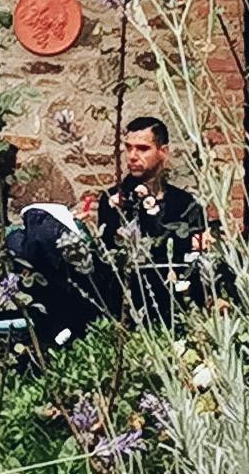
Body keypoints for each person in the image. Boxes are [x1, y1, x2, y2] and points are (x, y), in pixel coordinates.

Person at [92, 114, 215, 321]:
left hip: (177, 309)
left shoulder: (186, 205)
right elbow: (110, 260)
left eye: (142, 148)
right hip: (128, 309)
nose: (132, 156)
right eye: (128, 147)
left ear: (163, 152)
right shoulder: (114, 200)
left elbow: (199, 259)